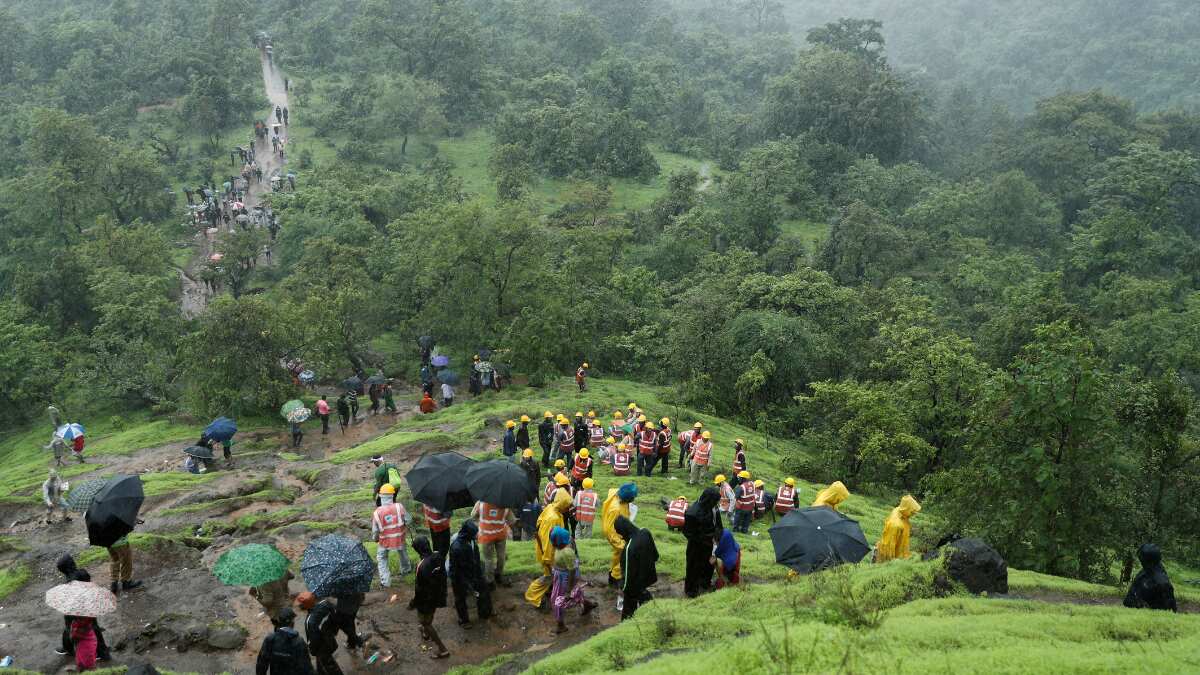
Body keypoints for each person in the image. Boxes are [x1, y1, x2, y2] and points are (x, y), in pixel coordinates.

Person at [54, 556, 111, 662]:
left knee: (70, 628)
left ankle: (99, 653)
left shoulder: (69, 583)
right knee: (93, 626)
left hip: (76, 610)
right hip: (89, 605)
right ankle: (102, 652)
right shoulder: (83, 573)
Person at [525, 488, 572, 607]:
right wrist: (548, 560)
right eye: (567, 506)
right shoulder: (553, 518)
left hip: (549, 551)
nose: (568, 509)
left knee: (552, 576)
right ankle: (532, 595)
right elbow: (547, 542)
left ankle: (549, 592)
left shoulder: (553, 509)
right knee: (548, 576)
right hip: (547, 553)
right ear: (562, 503)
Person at [408, 536, 451, 659]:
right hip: (438, 594)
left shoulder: (421, 566)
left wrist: (413, 603)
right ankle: (426, 634)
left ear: (418, 550)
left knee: (425, 622)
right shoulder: (438, 556)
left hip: (426, 599)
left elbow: (419, 589)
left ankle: (443, 649)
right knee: (429, 616)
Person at [549, 525, 597, 633]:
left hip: (565, 579)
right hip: (560, 576)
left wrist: (568, 589)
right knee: (575, 592)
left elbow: (572, 571)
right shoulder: (560, 548)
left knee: (557, 601)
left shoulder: (567, 552)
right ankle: (587, 605)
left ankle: (560, 624)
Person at [448, 520, 493, 627]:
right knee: (460, 598)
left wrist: (479, 574)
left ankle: (484, 613)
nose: (477, 536)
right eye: (474, 534)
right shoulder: (457, 547)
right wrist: (467, 583)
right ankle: (463, 620)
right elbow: (455, 569)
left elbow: (475, 558)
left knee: (483, 589)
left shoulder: (471, 541)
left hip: (473, 571)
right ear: (467, 534)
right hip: (459, 577)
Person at [614, 516, 658, 619]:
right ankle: (650, 609)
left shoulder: (629, 548)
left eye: (620, 533)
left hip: (635, 584)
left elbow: (628, 577)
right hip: (649, 576)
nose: (621, 536)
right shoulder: (645, 532)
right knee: (643, 595)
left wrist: (622, 589)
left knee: (629, 609)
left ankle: (626, 626)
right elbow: (655, 555)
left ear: (623, 532)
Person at [683, 487, 721, 598]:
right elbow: (687, 533)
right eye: (714, 502)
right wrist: (704, 537)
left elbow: (719, 525)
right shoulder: (692, 513)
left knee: (709, 565)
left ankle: (705, 584)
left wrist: (716, 537)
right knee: (693, 568)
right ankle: (691, 591)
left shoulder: (713, 508)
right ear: (708, 500)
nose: (716, 504)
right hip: (696, 545)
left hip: (710, 543)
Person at [373, 484, 412, 586]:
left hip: (384, 541)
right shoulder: (399, 507)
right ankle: (406, 570)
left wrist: (375, 539)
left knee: (381, 558)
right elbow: (408, 520)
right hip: (399, 537)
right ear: (392, 496)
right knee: (402, 552)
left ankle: (385, 582)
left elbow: (375, 531)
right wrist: (405, 525)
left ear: (381, 496)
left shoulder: (377, 512)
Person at [255, 607, 314, 675]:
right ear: (292, 622)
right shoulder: (299, 642)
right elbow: (306, 667)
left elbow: (261, 663)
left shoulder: (270, 639)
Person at [470, 500, 515, 587]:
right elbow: (512, 521)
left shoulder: (480, 503)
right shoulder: (505, 504)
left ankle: (490, 581)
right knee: (501, 556)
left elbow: (473, 516)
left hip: (486, 535)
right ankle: (499, 575)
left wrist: (481, 522)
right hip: (500, 534)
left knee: (488, 559)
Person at [602, 482, 637, 587]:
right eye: (632, 498)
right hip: (616, 536)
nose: (634, 500)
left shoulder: (618, 494)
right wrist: (620, 543)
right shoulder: (615, 509)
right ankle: (616, 578)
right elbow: (609, 530)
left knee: (617, 555)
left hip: (621, 532)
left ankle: (612, 574)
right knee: (623, 555)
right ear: (626, 499)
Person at [1123, 543, 1177, 612]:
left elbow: (1169, 611)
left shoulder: (1162, 582)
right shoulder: (1144, 573)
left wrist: (1143, 606)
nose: (1140, 561)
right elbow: (1128, 600)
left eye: (1141, 558)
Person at [298, 592, 342, 675]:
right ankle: (320, 671)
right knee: (322, 662)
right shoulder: (326, 603)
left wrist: (313, 651)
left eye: (301, 605)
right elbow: (335, 617)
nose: (299, 606)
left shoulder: (310, 621)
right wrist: (334, 631)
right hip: (330, 637)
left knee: (329, 665)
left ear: (306, 606)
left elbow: (313, 640)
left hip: (322, 647)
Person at [875, 495, 921, 563]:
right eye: (912, 512)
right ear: (906, 509)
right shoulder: (896, 525)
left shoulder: (898, 510)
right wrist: (892, 563)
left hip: (901, 553)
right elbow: (889, 548)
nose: (913, 514)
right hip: (887, 556)